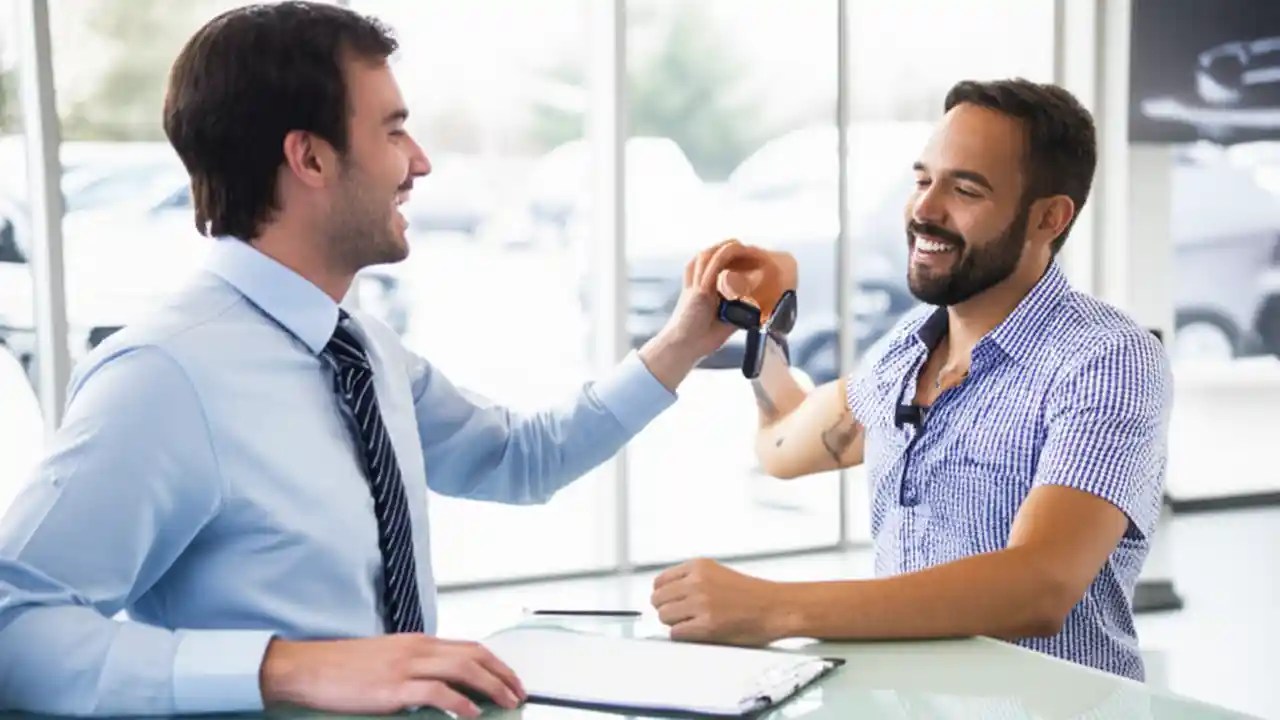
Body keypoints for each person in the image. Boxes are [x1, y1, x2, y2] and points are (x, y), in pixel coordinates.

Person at [0, 3, 747, 716]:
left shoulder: (358, 350)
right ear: (312, 158)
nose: (419, 162)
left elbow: (519, 458)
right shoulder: (163, 377)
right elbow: (15, 628)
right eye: (394, 132)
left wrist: (681, 344)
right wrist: (288, 666)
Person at [651, 78, 1172, 682]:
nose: (924, 209)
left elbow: (1039, 585)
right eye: (923, 180)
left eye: (965, 189)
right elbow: (783, 441)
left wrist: (770, 609)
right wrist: (762, 316)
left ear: (1049, 218)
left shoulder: (1107, 359)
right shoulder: (909, 349)